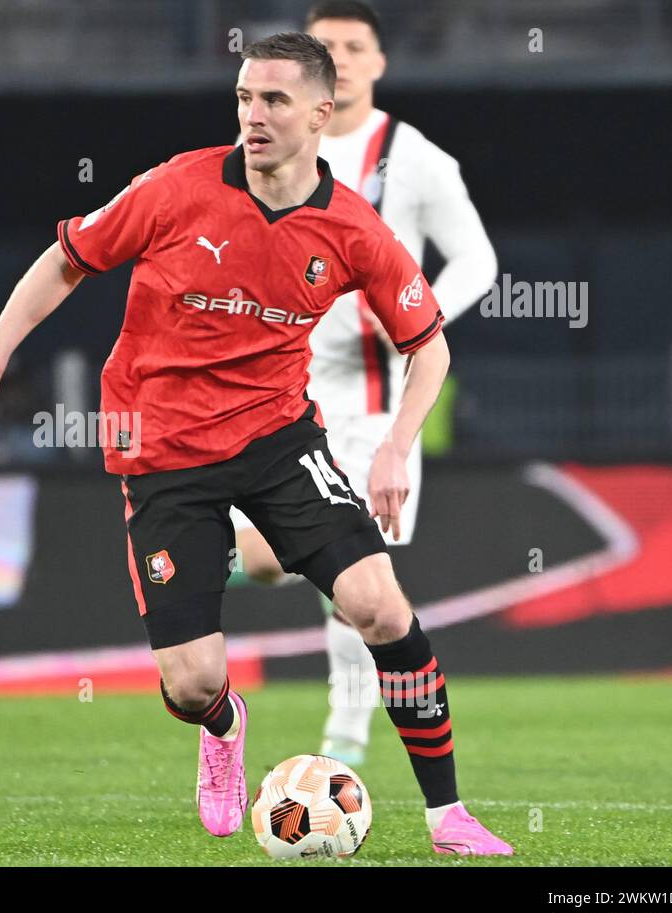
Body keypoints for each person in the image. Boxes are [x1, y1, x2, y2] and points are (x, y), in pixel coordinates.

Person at [0, 32, 511, 854]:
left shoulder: (352, 228)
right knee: (192, 681)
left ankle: (447, 815)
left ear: (320, 113)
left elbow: (429, 341)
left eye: (273, 100)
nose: (253, 116)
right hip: (160, 446)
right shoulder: (176, 186)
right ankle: (224, 726)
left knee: (379, 604)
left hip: (278, 438)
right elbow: (67, 260)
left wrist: (392, 447)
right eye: (243, 98)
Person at [231, 1, 498, 770]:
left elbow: (477, 259)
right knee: (262, 561)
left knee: (355, 588)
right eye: (329, 45)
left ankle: (341, 747)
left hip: (378, 407)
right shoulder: (269, 150)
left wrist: (422, 314)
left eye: (356, 45)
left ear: (380, 62)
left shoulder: (413, 159)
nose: (341, 57)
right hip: (281, 395)